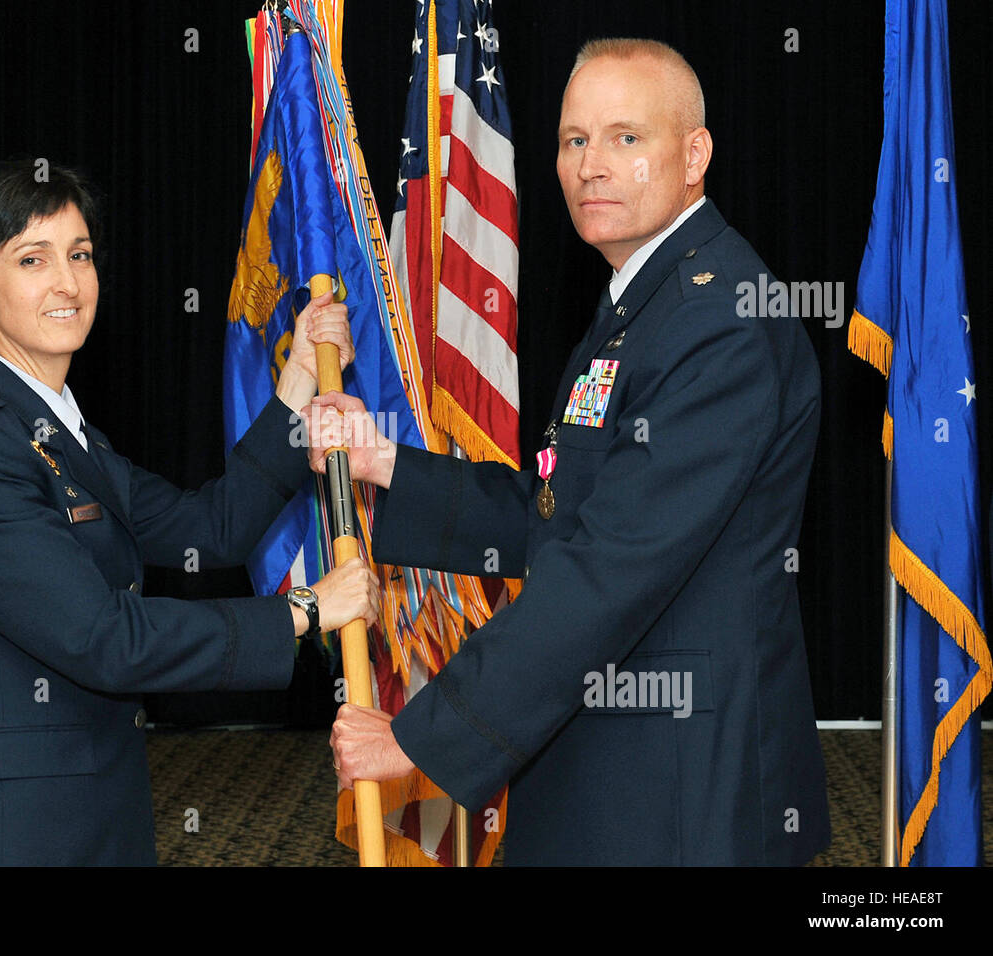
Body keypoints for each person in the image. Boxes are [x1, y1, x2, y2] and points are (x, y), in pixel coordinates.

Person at [316, 38, 831, 865]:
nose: (592, 164)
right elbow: (562, 513)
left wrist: (423, 737)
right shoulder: (649, 300)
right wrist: (386, 465)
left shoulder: (721, 321)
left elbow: (610, 569)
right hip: (615, 763)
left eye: (627, 138)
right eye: (574, 139)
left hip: (678, 793)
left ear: (694, 154)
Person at [0, 159, 379, 865]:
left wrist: (298, 377)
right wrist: (302, 609)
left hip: (90, 817)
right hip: (1, 836)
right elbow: (103, 638)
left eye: (79, 255)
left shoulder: (58, 431)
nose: (67, 283)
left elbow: (208, 531)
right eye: (32, 259)